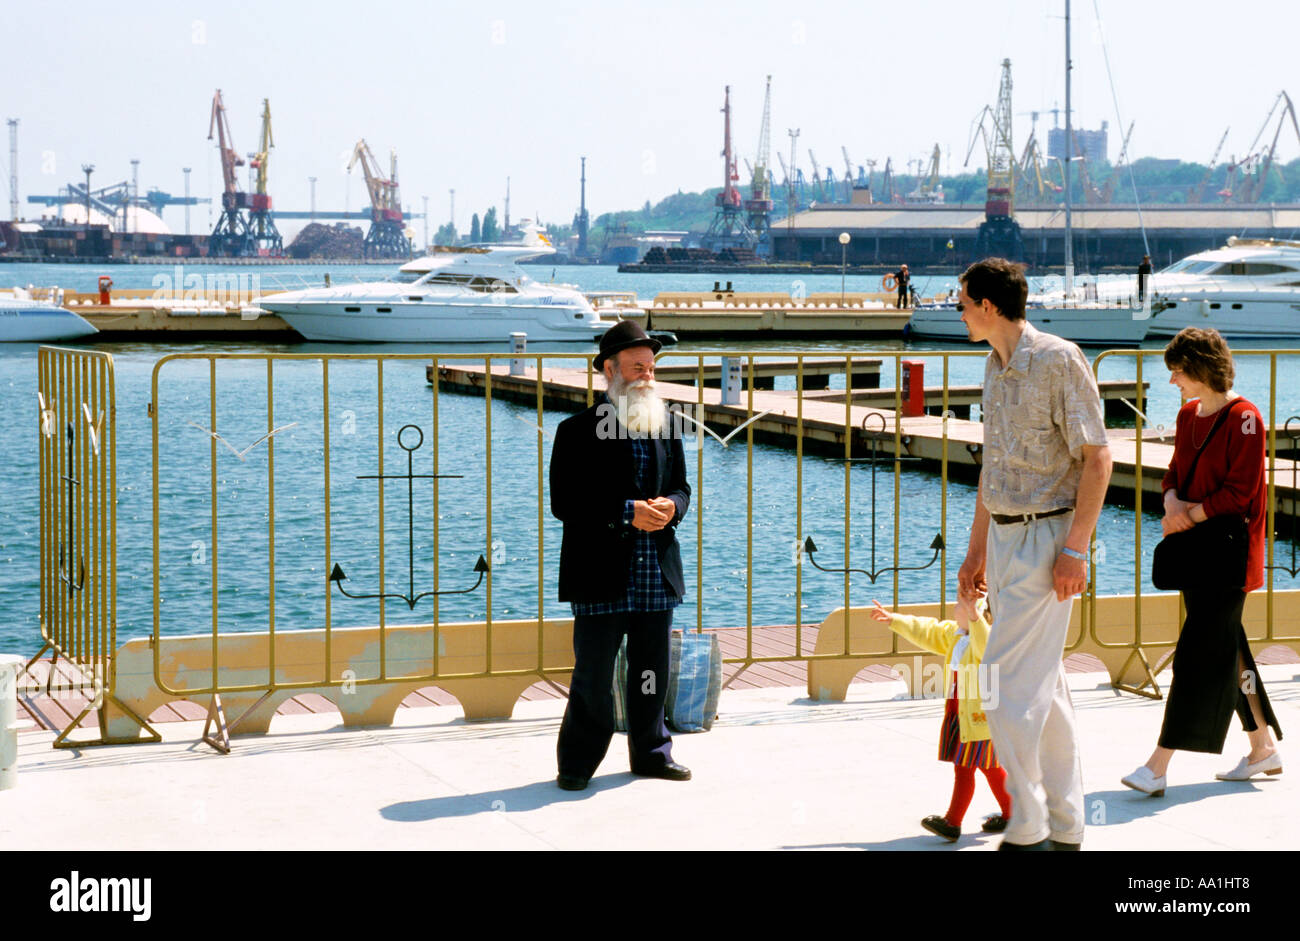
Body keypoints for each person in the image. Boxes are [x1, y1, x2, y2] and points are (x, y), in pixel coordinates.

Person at [955, 257, 1113, 851]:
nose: (961, 313)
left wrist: (1076, 549)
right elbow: (992, 469)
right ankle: (1067, 826)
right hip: (1004, 537)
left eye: (964, 303)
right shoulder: (993, 367)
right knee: (1045, 691)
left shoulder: (1057, 359)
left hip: (1049, 540)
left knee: (1000, 682)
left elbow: (1098, 458)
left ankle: (1026, 822)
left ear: (989, 307)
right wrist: (975, 556)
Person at [1121, 328, 1282, 797]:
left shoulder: (1246, 419)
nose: (1172, 381)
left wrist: (1185, 516)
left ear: (1202, 367)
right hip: (1197, 549)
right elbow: (1174, 471)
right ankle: (1261, 747)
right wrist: (1172, 502)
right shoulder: (1188, 413)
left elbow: (1240, 492)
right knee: (1227, 647)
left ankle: (1158, 764)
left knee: (1195, 654)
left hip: (1228, 554)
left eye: (1178, 371)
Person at [549, 320, 692, 790]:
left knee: (651, 671)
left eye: (651, 368)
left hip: (655, 568)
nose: (647, 376)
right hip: (599, 571)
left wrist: (672, 507)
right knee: (593, 673)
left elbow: (682, 488)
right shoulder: (574, 431)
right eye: (637, 367)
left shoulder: (668, 424)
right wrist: (627, 511)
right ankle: (577, 763)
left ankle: (651, 753)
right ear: (610, 370)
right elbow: (564, 503)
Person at [870, 594, 1012, 843]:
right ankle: (1014, 813)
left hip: (978, 719)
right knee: (990, 767)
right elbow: (927, 630)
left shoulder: (986, 641)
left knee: (965, 769)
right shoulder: (956, 635)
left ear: (974, 612)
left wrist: (975, 618)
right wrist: (894, 620)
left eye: (959, 605)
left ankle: (952, 822)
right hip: (961, 714)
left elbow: (983, 642)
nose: (953, 608)